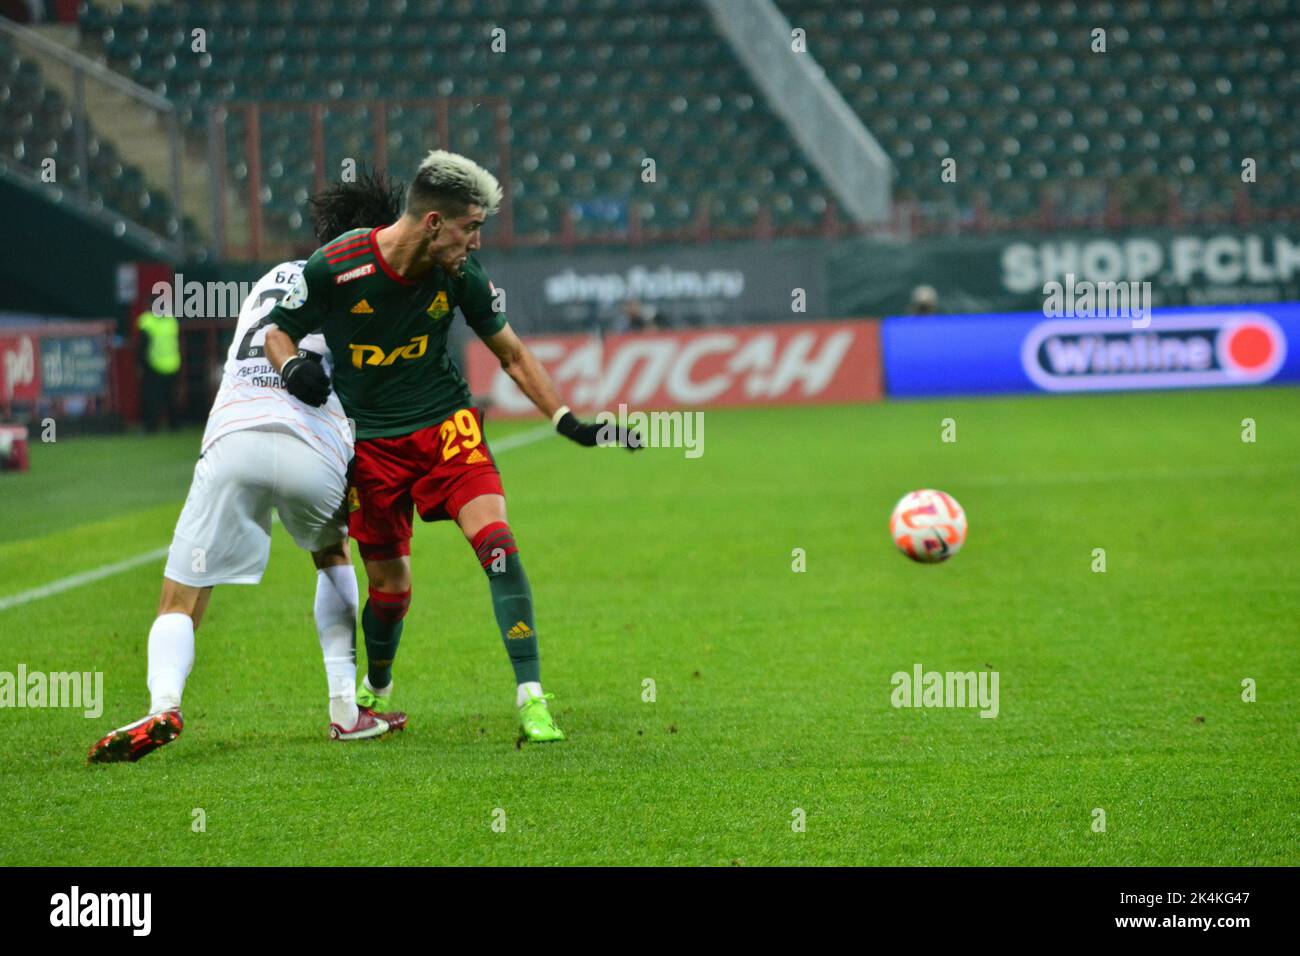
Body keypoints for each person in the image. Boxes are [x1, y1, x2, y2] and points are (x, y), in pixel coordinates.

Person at [263, 149, 642, 744]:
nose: (477, 243)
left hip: (447, 428)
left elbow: (512, 354)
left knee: (497, 545)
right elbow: (277, 331)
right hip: (371, 446)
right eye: (472, 228)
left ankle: (532, 698)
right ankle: (378, 687)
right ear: (435, 222)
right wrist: (290, 370)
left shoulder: (461, 276)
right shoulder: (335, 267)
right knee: (390, 588)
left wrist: (568, 421)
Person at [88, 170, 410, 764]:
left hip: (234, 437)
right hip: (313, 447)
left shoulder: (272, 279)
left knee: (180, 597)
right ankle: (345, 707)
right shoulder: (369, 283)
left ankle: (164, 705)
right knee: (331, 553)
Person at [136, 307, 180, 431]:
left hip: (154, 364)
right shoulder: (172, 320)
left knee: (152, 398)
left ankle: (151, 426)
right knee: (171, 398)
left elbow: (142, 345)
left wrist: (140, 364)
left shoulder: (147, 321)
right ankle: (174, 426)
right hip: (173, 363)